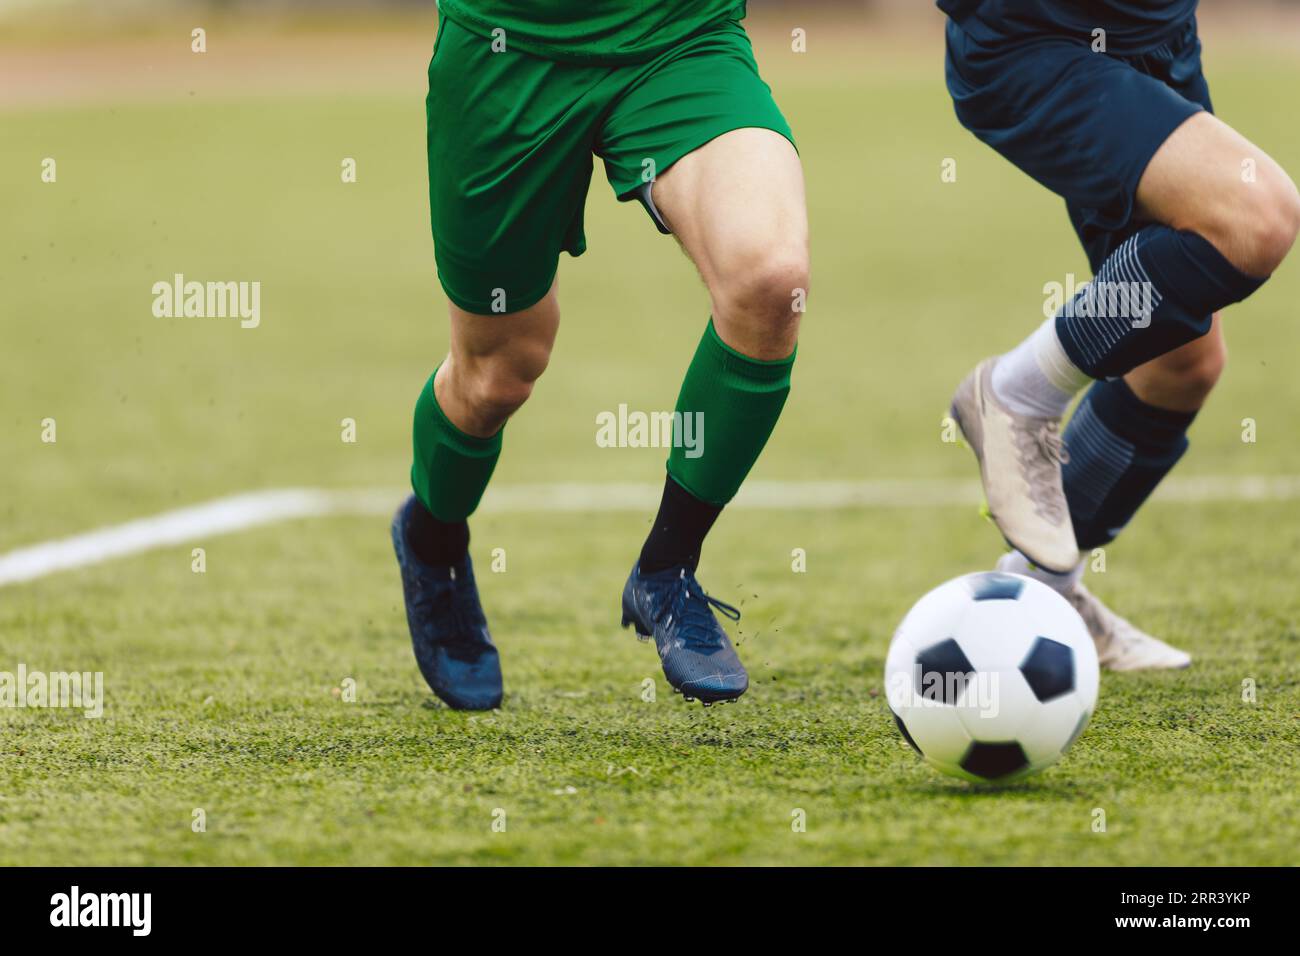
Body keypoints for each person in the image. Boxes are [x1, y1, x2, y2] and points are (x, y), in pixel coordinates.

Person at [392, 1, 809, 708]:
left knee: (770, 282)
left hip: (677, 33)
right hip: (506, 49)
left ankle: (667, 569)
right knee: (499, 373)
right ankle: (432, 539)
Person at [938, 0, 1300, 669]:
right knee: (1257, 217)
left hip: (1158, 42)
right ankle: (1017, 393)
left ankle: (1043, 590)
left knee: (1178, 364)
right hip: (1037, 44)